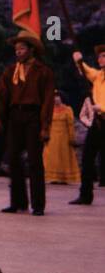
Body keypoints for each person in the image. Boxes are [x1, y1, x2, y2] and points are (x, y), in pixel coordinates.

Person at [0, 30, 56, 216]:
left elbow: (47, 101)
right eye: (16, 49)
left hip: (34, 117)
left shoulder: (43, 71)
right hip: (15, 116)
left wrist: (45, 126)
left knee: (35, 161)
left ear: (31, 50)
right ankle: (18, 202)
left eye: (21, 48)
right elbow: (1, 96)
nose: (18, 52)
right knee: (13, 158)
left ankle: (38, 205)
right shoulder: (10, 71)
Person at [69, 44, 105, 206]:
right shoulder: (99, 76)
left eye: (104, 55)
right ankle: (85, 194)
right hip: (99, 122)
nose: (100, 58)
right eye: (99, 56)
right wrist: (79, 61)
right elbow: (86, 71)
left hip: (102, 115)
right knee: (88, 157)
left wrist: (102, 107)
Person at [44, 90, 81, 187]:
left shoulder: (68, 110)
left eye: (58, 97)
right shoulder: (49, 110)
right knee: (52, 157)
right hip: (52, 137)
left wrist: (72, 137)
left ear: (62, 98)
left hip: (64, 137)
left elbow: (70, 125)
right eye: (54, 97)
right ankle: (53, 177)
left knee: (64, 156)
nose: (56, 99)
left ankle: (64, 178)